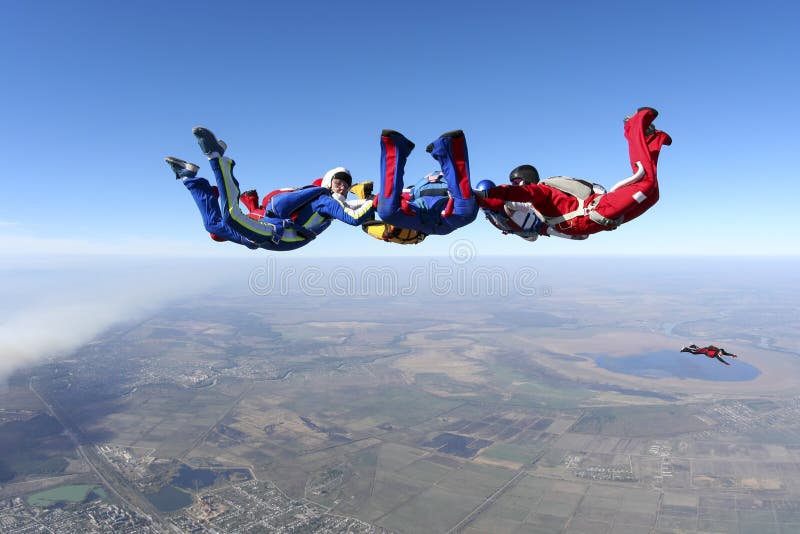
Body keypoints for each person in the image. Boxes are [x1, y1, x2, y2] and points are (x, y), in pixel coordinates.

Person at [165, 127, 374, 251]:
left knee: (222, 220)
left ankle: (203, 167)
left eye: (346, 185)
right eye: (339, 183)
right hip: (270, 233)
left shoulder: (332, 202)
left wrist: (377, 201)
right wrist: (375, 202)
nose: (343, 187)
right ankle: (202, 168)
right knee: (219, 222)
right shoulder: (325, 199)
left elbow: (355, 211)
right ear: (328, 183)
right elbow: (354, 216)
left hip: (272, 234)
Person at [473, 107, 672, 237]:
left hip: (597, 212)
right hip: (596, 218)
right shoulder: (536, 211)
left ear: (527, 181)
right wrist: (487, 205)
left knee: (649, 189)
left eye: (518, 182)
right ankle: (644, 134)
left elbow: (516, 197)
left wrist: (487, 195)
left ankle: (640, 132)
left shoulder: (540, 193)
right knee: (650, 190)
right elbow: (523, 222)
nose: (517, 186)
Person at [375, 129, 479, 236]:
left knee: (386, 213)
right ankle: (451, 148)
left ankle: (394, 148)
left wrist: (379, 202)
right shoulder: (412, 192)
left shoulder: (412, 191)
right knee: (465, 211)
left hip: (423, 215)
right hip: (436, 214)